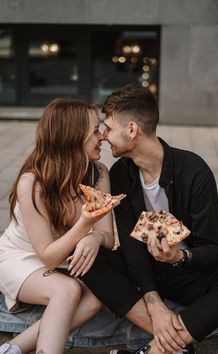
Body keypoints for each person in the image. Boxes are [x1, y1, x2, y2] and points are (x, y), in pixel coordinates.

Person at [68, 83, 218, 354]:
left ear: (132, 130)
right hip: (142, 274)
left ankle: (158, 349)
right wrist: (154, 303)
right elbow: (132, 249)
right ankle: (174, 339)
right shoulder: (121, 173)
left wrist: (179, 257)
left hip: (188, 274)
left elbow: (213, 252)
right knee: (88, 257)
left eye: (108, 128)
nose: (104, 136)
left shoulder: (194, 172)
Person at [0, 98, 120, 354]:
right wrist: (85, 224)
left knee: (105, 290)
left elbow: (107, 236)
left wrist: (95, 238)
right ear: (72, 138)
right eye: (95, 131)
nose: (102, 138)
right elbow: (49, 257)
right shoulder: (33, 183)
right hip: (23, 258)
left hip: (65, 258)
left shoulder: (97, 173)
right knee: (67, 290)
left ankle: (15, 348)